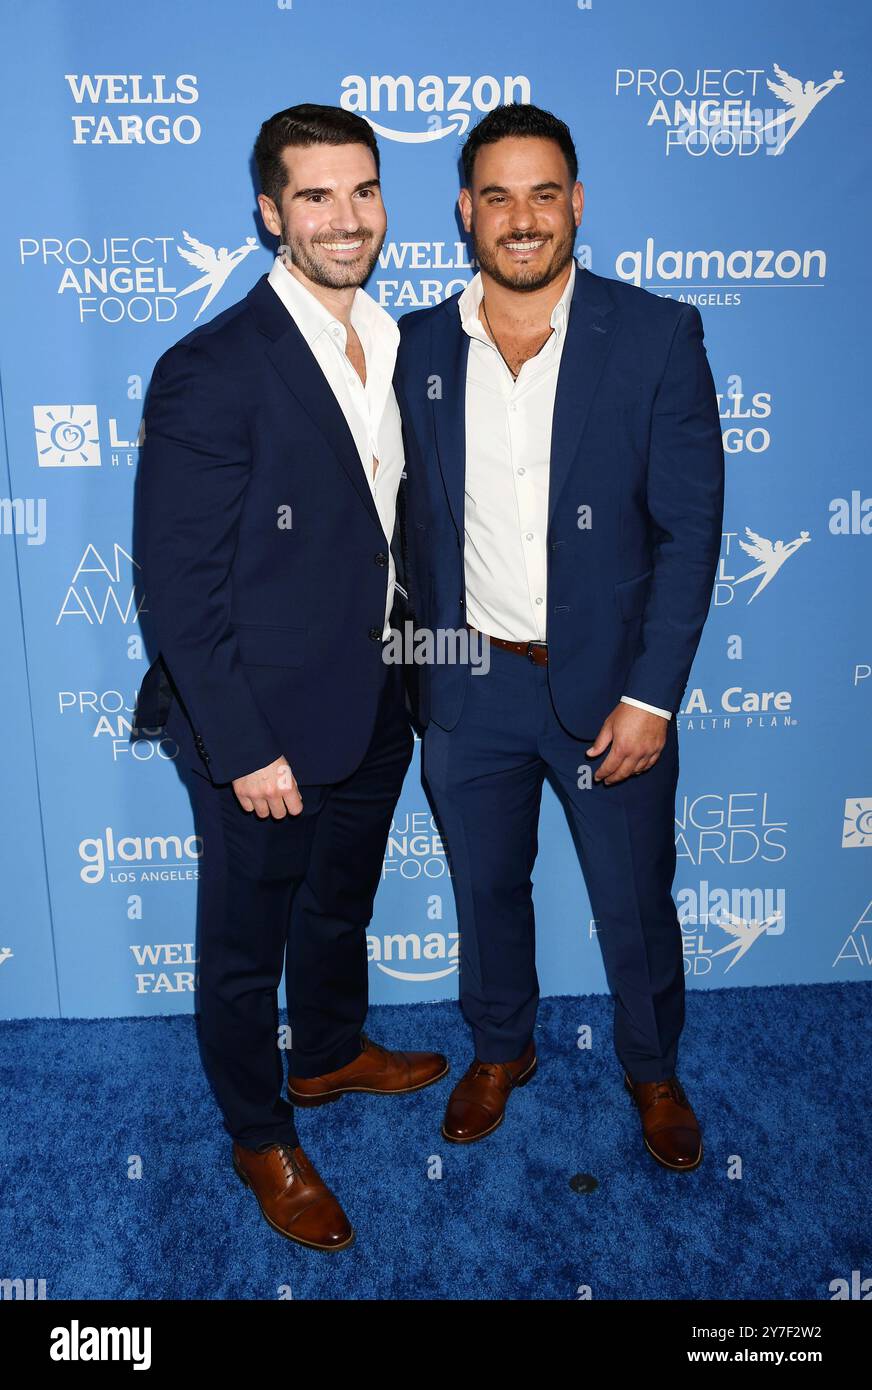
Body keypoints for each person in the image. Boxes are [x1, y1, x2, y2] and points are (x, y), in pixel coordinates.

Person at [135, 103, 447, 1252]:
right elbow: (176, 583)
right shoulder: (212, 367)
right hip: (256, 724)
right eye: (315, 195)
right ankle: (258, 1132)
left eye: (362, 191)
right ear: (269, 212)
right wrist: (242, 743)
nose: (345, 217)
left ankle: (324, 1053)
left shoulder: (399, 344)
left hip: (372, 703)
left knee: (338, 905)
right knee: (240, 944)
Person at [394, 103, 724, 1170]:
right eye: (498, 195)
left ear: (576, 204)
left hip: (609, 691)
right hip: (467, 684)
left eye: (543, 193)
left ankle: (651, 1067)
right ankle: (499, 1049)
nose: (522, 218)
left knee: (632, 900)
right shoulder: (412, 347)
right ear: (465, 213)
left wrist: (651, 695)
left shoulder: (654, 335)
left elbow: (687, 531)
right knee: (482, 892)